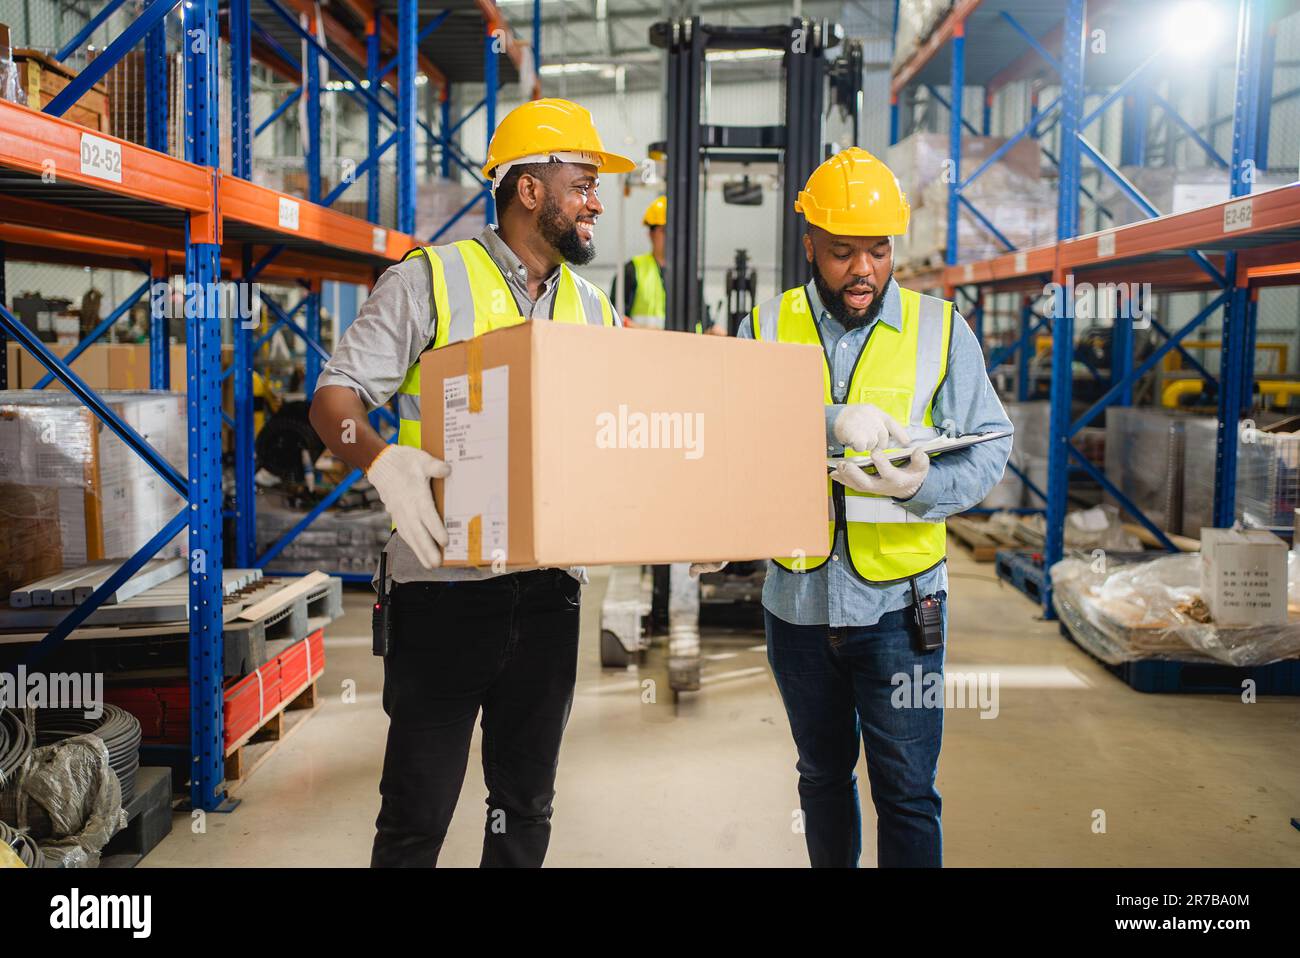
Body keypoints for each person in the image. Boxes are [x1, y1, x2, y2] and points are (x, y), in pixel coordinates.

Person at [308, 98, 632, 868]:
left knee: (523, 813)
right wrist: (380, 461)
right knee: (417, 815)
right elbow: (332, 402)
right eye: (582, 184)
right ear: (529, 190)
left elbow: (626, 435)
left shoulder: (595, 308)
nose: (595, 202)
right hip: (444, 593)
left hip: (550, 595)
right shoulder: (432, 281)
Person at [693, 147, 1012, 868]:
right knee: (821, 777)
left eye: (877, 250)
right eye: (841, 253)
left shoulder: (941, 329)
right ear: (809, 245)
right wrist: (826, 420)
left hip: (902, 610)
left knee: (907, 793)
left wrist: (919, 489)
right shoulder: (766, 326)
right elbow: (734, 433)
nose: (862, 269)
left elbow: (992, 446)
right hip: (797, 605)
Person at [612, 195, 667, 328]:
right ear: (651, 234)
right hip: (638, 347)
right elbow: (616, 320)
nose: (670, 236)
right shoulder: (632, 270)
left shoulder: (687, 275)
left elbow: (701, 322)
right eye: (664, 230)